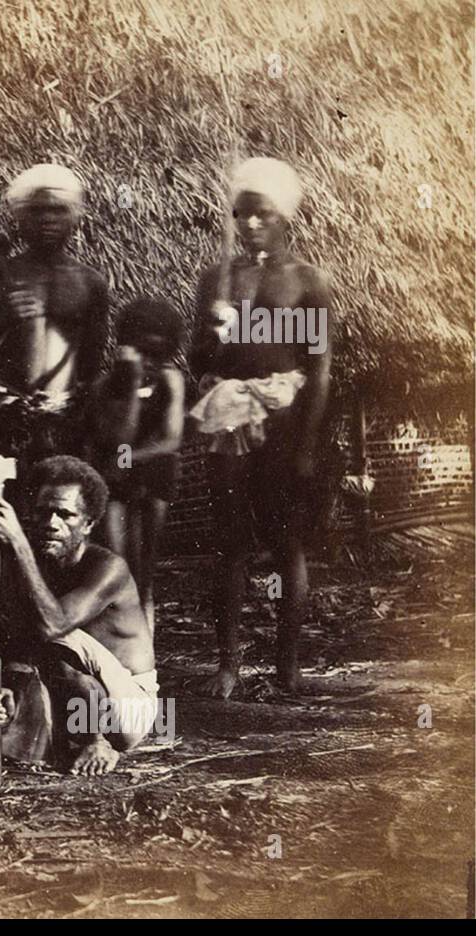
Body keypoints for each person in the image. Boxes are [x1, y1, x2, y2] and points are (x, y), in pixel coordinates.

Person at [188, 157, 333, 698]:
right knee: (229, 543)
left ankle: (287, 665)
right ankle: (228, 665)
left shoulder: (306, 281)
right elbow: (198, 357)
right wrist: (216, 330)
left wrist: (306, 445)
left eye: (261, 215)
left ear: (283, 218)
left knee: (286, 542)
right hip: (232, 415)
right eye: (241, 215)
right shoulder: (217, 280)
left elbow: (318, 367)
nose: (249, 225)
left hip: (286, 420)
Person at [0, 456, 158, 776]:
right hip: (68, 689)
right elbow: (3, 624)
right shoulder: (33, 557)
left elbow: (53, 625)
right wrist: (5, 685)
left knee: (58, 637)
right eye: (43, 512)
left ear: (88, 524)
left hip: (124, 710)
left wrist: (17, 543)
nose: (51, 523)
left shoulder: (108, 567)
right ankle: (19, 711)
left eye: (65, 514)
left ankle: (98, 741)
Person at [0, 164, 108, 465]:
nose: (47, 219)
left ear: (75, 217)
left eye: (58, 210)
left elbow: (92, 364)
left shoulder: (91, 283)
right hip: (5, 415)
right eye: (37, 211)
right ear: (20, 218)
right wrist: (3, 322)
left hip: (65, 420)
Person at [86, 298, 186, 634]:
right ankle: (120, 635)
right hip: (116, 479)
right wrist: (130, 384)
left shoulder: (172, 380)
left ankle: (145, 644)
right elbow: (118, 437)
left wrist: (129, 458)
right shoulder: (106, 386)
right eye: (144, 352)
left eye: (160, 354)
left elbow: (172, 439)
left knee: (145, 569)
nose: (152, 362)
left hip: (155, 474)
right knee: (116, 560)